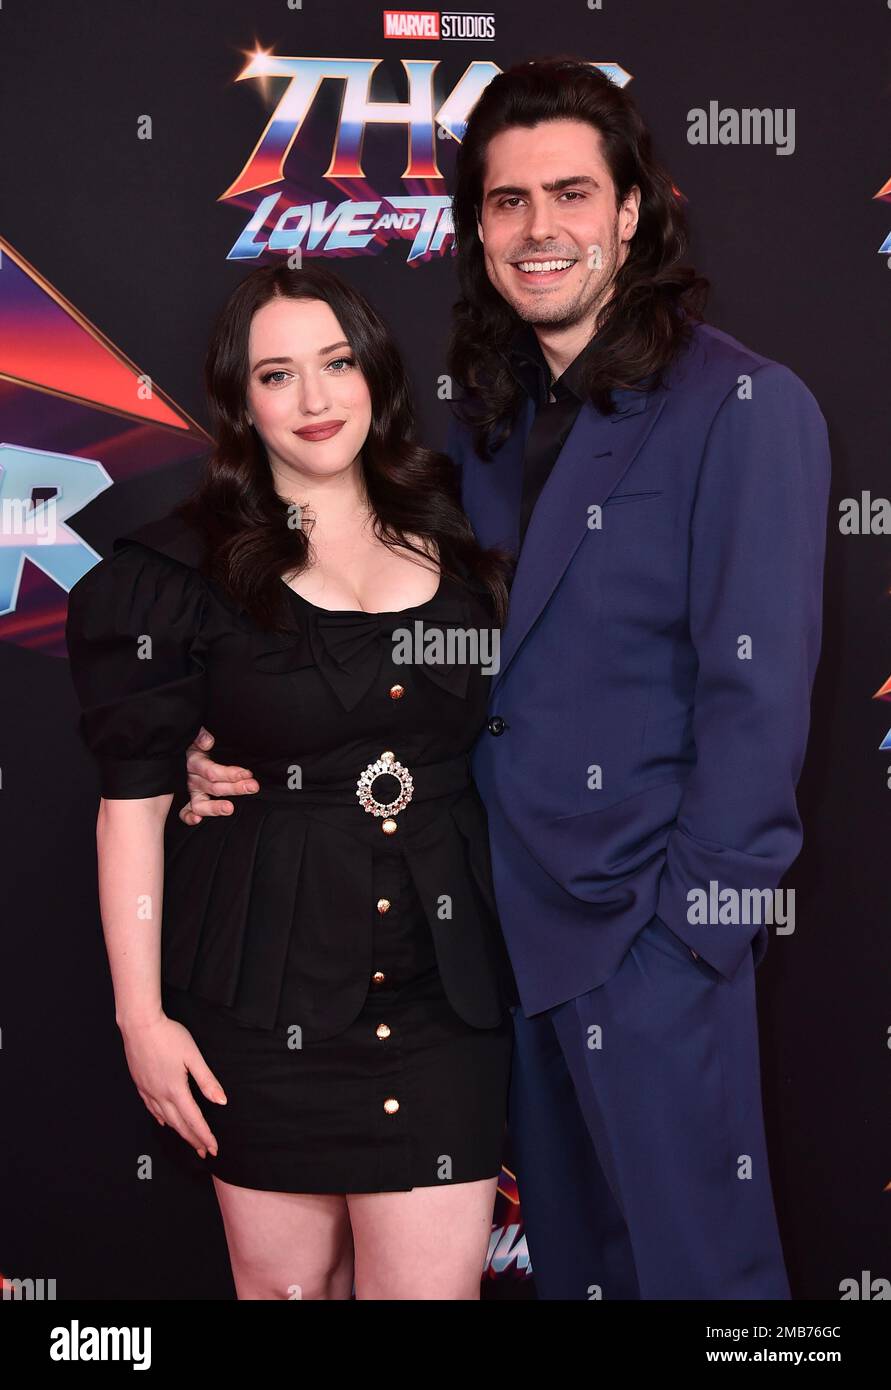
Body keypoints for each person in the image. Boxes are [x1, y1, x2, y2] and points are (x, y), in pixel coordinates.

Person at [180, 58, 831, 1299]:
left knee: (705, 1278)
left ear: (633, 211)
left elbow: (760, 700)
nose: (540, 229)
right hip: (486, 942)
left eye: (572, 194)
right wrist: (222, 750)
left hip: (650, 940)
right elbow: (370, 638)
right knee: (577, 1270)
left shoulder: (745, 404)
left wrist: (693, 936)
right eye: (507, 201)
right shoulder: (476, 424)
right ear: (475, 226)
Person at [65, 263, 518, 1301]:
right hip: (260, 1001)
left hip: (447, 999)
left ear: (376, 374)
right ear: (239, 397)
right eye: (278, 375)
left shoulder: (460, 530)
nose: (315, 401)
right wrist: (142, 1018)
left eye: (337, 363)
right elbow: (127, 816)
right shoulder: (177, 572)